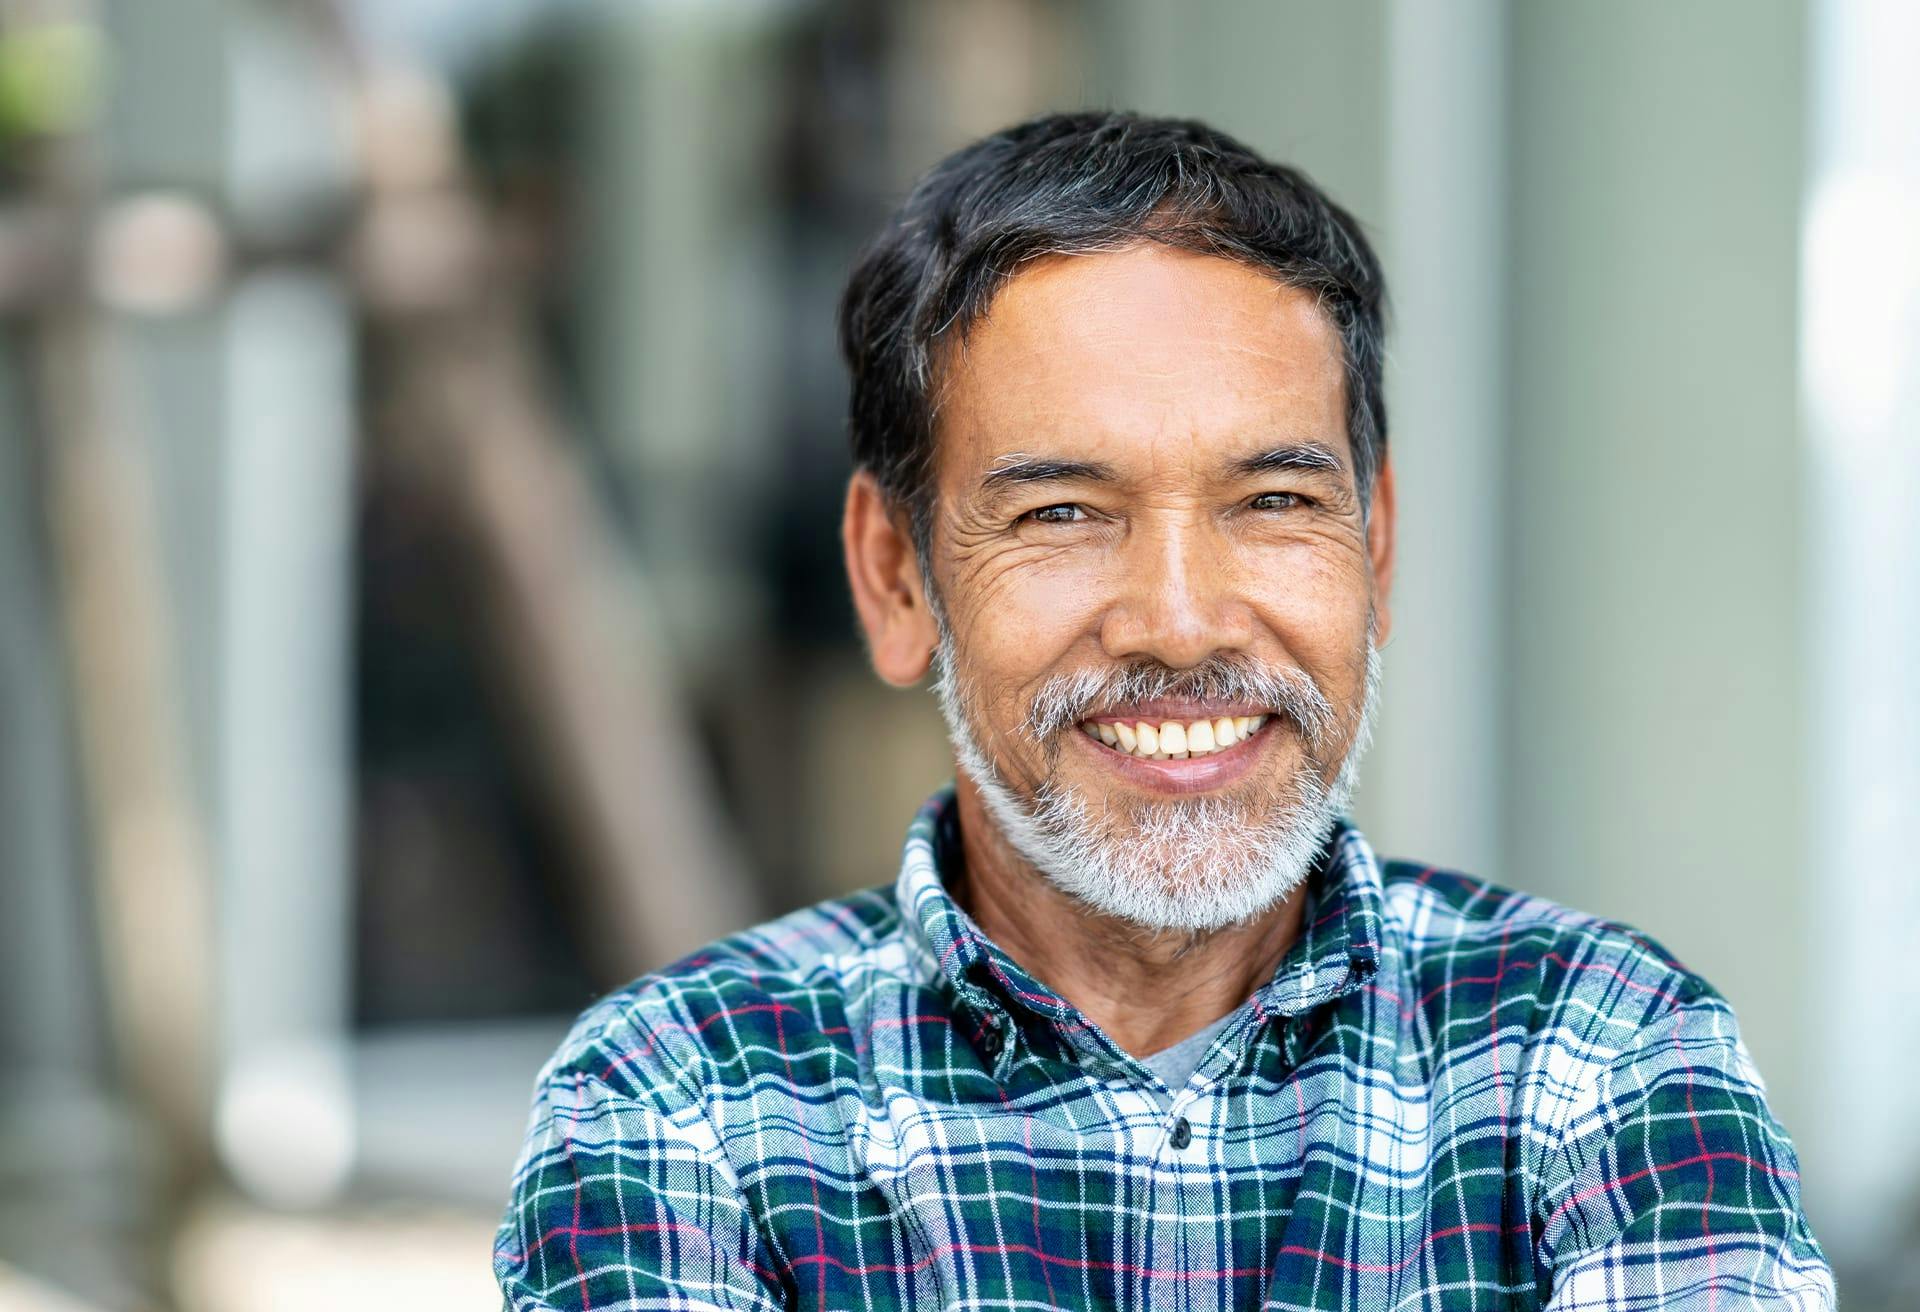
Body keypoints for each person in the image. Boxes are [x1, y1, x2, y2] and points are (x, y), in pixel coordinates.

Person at [494, 111, 1833, 1311]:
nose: (1182, 623)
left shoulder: (1598, 1053)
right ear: (896, 578)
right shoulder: (690, 1103)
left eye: (1274, 504)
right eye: (1064, 514)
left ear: (1375, 556)